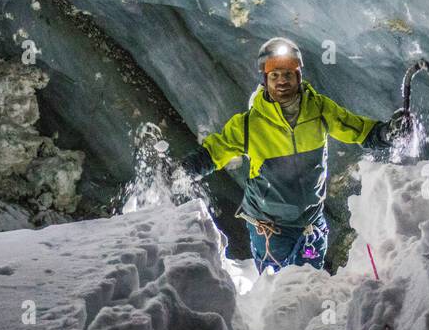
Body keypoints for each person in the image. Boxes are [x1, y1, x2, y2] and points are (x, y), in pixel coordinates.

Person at [173, 37, 405, 274]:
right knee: (281, 296)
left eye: (288, 74)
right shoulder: (249, 125)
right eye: (274, 76)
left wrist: (387, 132)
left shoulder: (319, 109)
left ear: (298, 76)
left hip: (311, 225)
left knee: (309, 287)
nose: (282, 81)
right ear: (265, 79)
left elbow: (356, 129)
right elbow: (215, 152)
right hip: (271, 232)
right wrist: (184, 170)